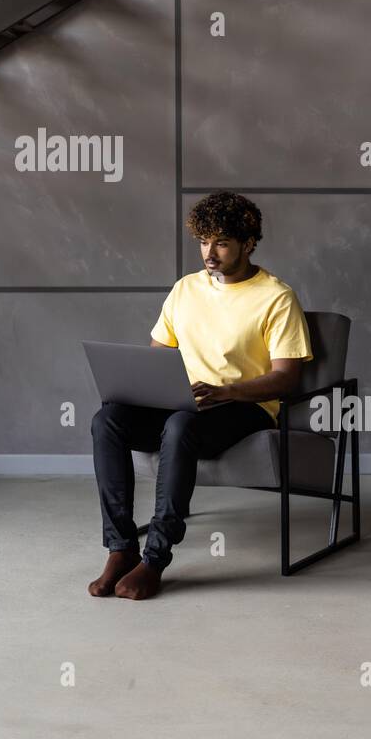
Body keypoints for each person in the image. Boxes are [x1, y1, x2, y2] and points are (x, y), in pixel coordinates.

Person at [89, 190, 313, 601]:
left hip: (245, 407)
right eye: (204, 242)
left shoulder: (277, 298)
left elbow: (285, 378)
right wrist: (151, 388)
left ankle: (155, 557)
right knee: (108, 420)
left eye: (222, 243)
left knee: (181, 424)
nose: (210, 253)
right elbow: (160, 354)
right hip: (184, 402)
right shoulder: (185, 289)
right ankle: (120, 549)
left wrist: (225, 391)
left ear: (248, 243)